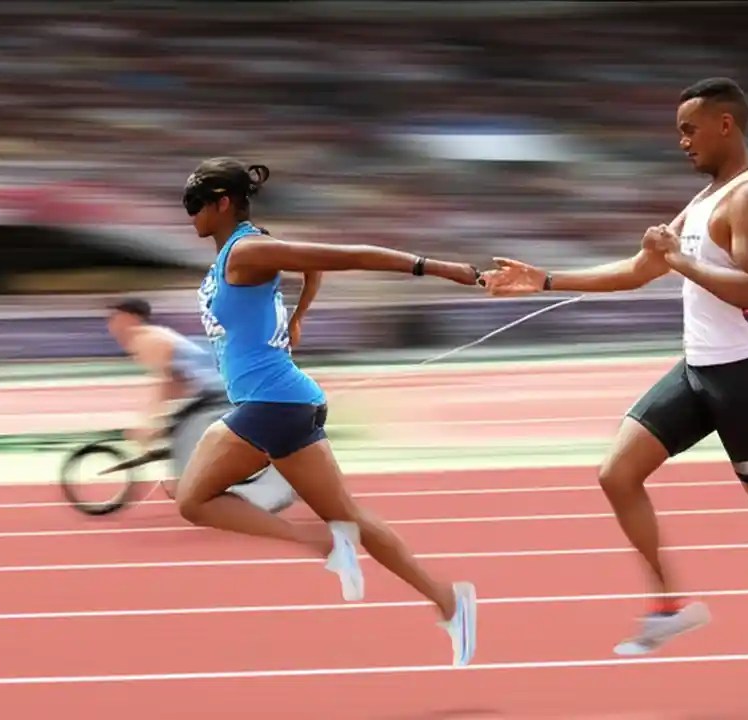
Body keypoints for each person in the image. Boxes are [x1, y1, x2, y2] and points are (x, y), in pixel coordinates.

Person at [481, 77, 748, 662]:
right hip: (697, 370)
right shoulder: (705, 198)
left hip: (745, 376)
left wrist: (681, 259)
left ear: (725, 125)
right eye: (678, 132)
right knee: (616, 473)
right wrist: (545, 280)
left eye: (690, 130)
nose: (682, 142)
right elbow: (640, 270)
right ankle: (668, 608)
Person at [178, 157, 479, 666]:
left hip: (272, 402)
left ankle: (320, 543)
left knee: (193, 499)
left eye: (193, 205)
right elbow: (308, 266)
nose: (189, 216)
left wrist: (438, 268)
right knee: (352, 517)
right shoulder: (239, 252)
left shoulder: (248, 250)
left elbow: (349, 256)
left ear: (222, 203)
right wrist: (299, 315)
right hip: (285, 403)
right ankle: (451, 602)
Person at [105, 295, 299, 513]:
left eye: (115, 317)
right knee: (181, 433)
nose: (110, 324)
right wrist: (162, 420)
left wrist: (150, 421)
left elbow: (166, 382)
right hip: (211, 388)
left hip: (214, 390)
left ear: (130, 318)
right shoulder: (151, 337)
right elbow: (178, 380)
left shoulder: (146, 339)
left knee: (189, 438)